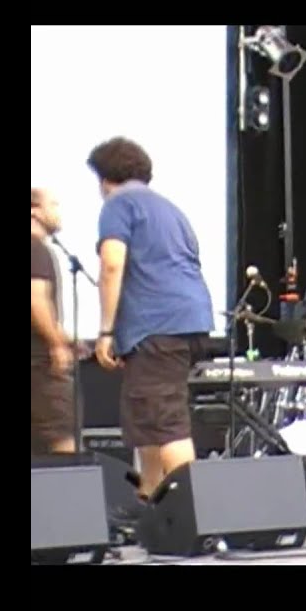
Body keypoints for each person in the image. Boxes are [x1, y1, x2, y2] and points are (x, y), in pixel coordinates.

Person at [89, 137, 214, 514]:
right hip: (189, 323)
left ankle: (192, 517)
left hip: (156, 327)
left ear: (104, 178)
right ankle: (151, 506)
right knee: (148, 421)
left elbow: (112, 264)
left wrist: (106, 331)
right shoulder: (171, 210)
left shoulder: (118, 204)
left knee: (166, 424)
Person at [31, 187, 76, 456]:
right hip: (40, 363)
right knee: (61, 442)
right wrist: (57, 343)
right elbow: (36, 300)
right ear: (35, 211)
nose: (58, 212)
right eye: (53, 205)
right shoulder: (36, 248)